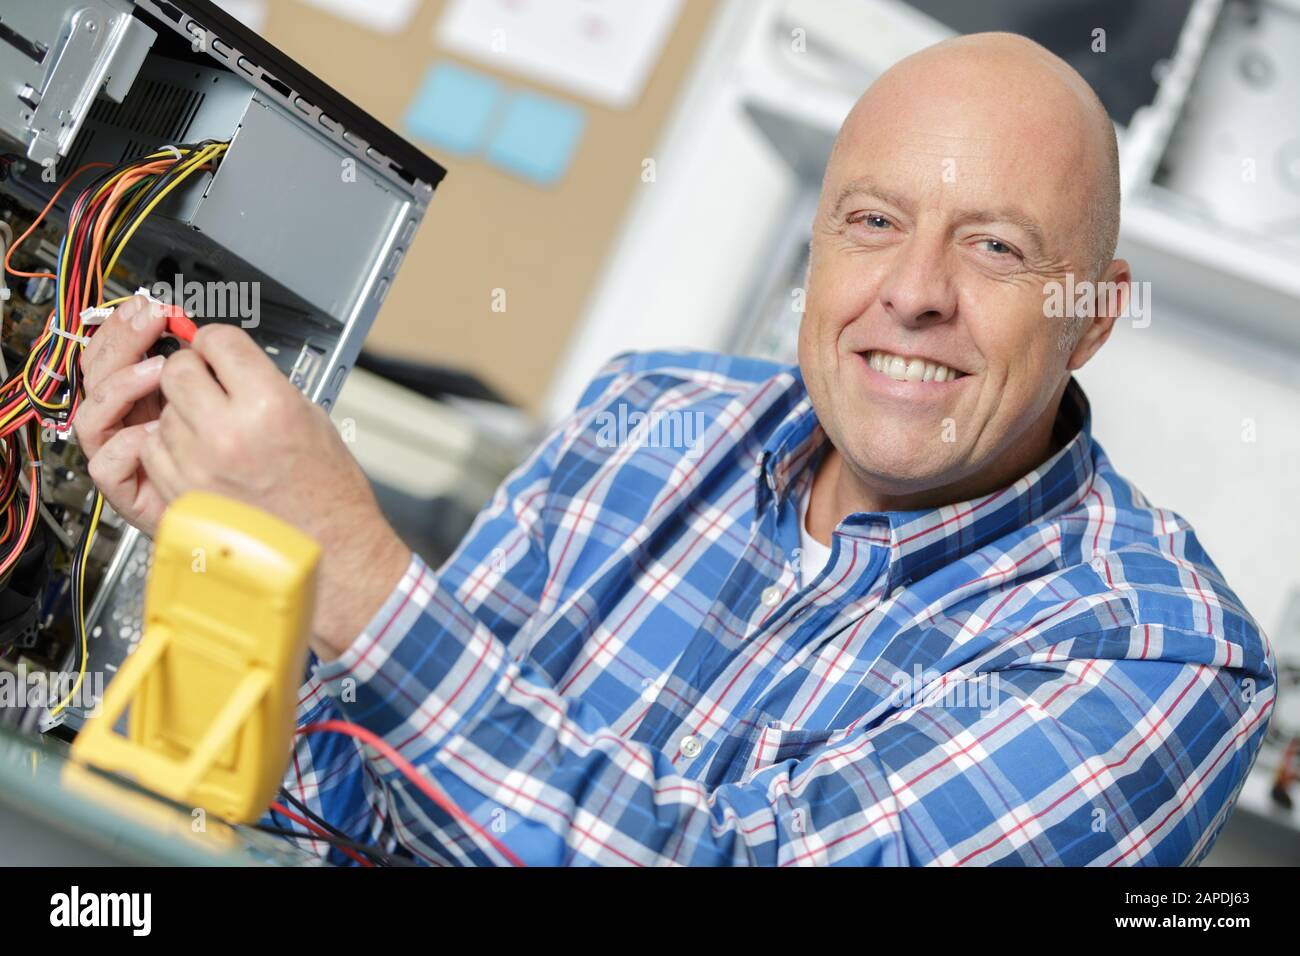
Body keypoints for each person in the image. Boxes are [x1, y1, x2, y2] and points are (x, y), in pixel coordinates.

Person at [75, 32, 1274, 865]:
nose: (912, 293)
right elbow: (351, 794)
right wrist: (235, 551)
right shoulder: (649, 415)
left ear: (1093, 317)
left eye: (996, 250)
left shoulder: (1154, 654)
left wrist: (353, 575)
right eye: (872, 221)